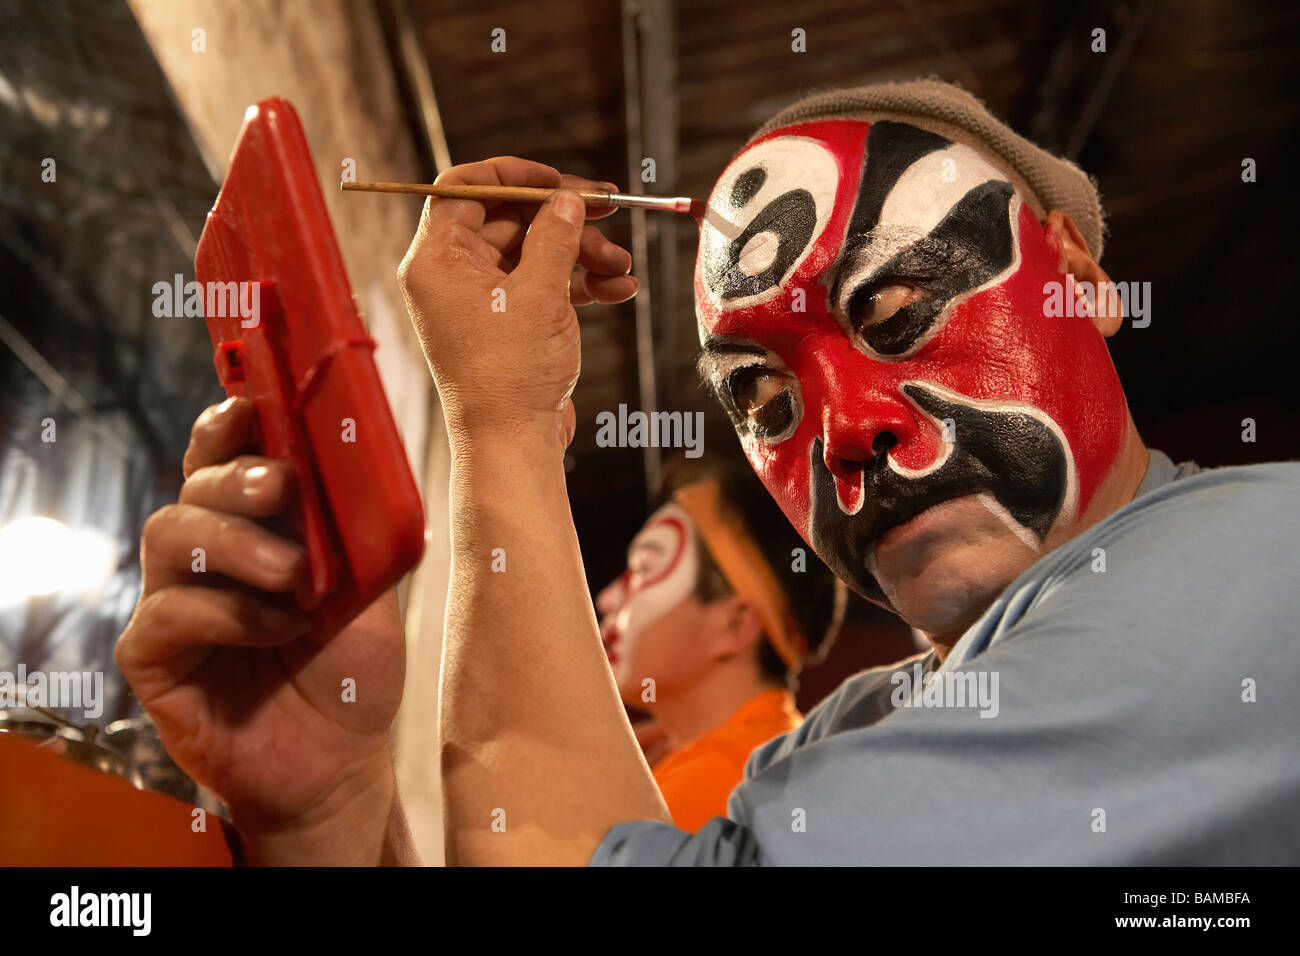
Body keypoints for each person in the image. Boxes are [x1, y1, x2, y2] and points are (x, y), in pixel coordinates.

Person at [117, 79, 1300, 865]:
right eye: (765, 399)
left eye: (896, 311)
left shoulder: (1262, 559)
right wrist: (329, 809)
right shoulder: (855, 727)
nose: (840, 429)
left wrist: (503, 417)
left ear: (1079, 276)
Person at [599, 469, 844, 833]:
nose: (608, 599)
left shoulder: (712, 779)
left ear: (735, 624)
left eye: (643, 569)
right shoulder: (762, 756)